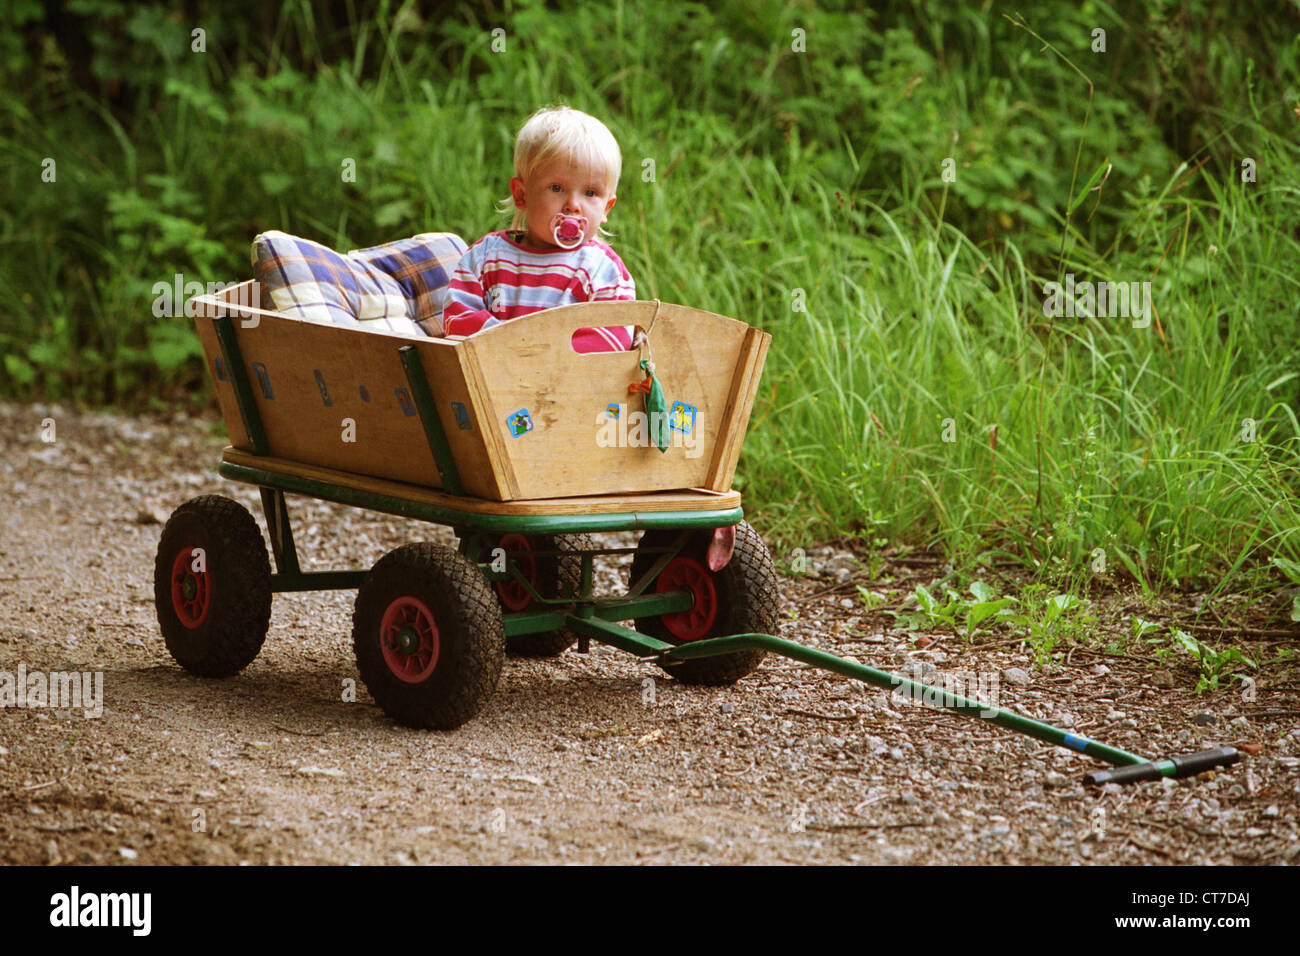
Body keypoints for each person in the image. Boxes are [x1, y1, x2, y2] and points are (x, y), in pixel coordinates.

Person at [440, 105, 636, 352]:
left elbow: (613, 338)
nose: (573, 205)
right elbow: (457, 319)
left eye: (590, 193)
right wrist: (516, 347)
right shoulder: (487, 258)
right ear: (522, 195)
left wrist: (548, 355)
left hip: (569, 383)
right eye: (556, 188)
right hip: (494, 378)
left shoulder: (603, 269)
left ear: (606, 208)